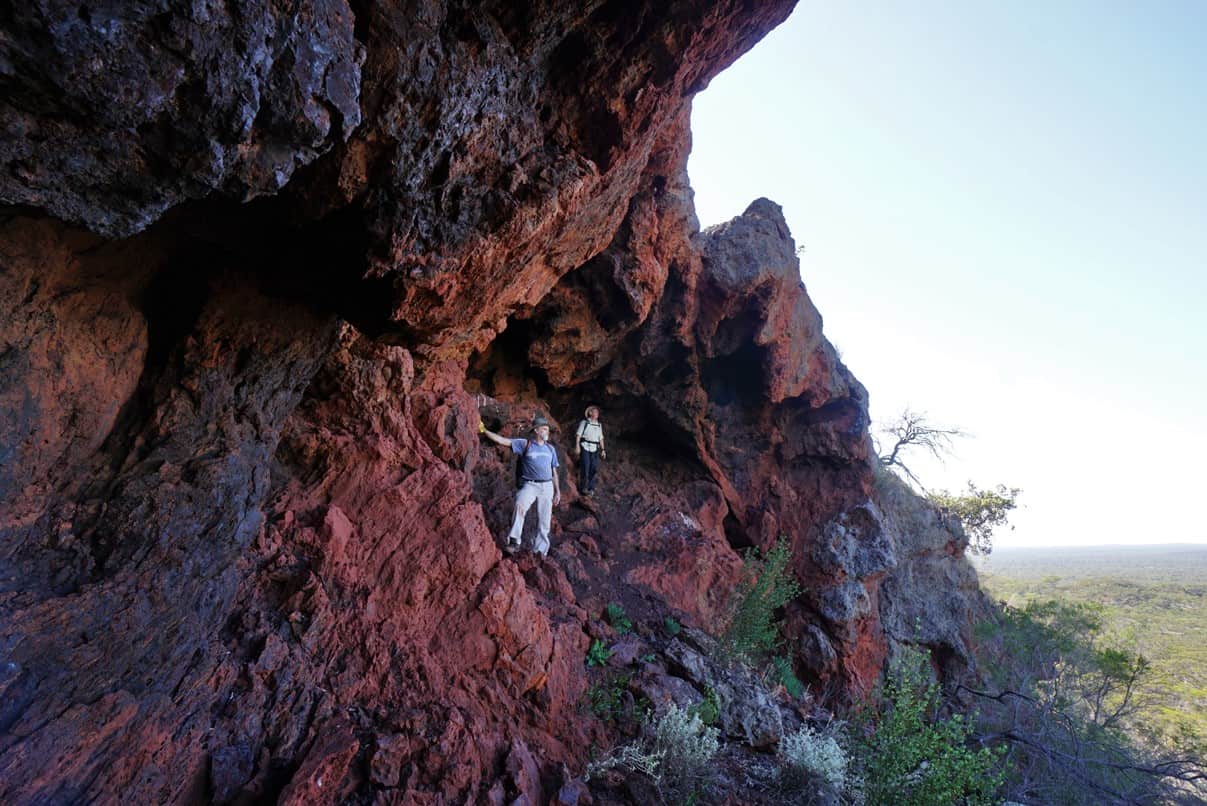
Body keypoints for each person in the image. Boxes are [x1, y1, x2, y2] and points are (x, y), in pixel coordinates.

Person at [481, 414, 561, 556]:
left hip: (547, 486)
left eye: (547, 429)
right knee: (519, 505)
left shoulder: (550, 449)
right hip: (530, 484)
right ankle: (514, 541)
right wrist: (484, 430)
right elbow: (502, 440)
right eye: (544, 429)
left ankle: (540, 551)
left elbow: (554, 471)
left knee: (545, 518)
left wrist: (558, 491)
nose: (547, 432)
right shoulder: (525, 444)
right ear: (536, 430)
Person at [574, 405, 606, 496]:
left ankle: (591, 488)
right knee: (585, 466)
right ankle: (583, 487)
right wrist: (577, 446)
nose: (597, 413)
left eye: (597, 412)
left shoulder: (599, 425)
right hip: (585, 447)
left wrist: (603, 450)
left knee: (594, 467)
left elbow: (601, 438)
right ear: (590, 413)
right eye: (595, 411)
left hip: (595, 448)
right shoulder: (584, 423)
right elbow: (578, 435)